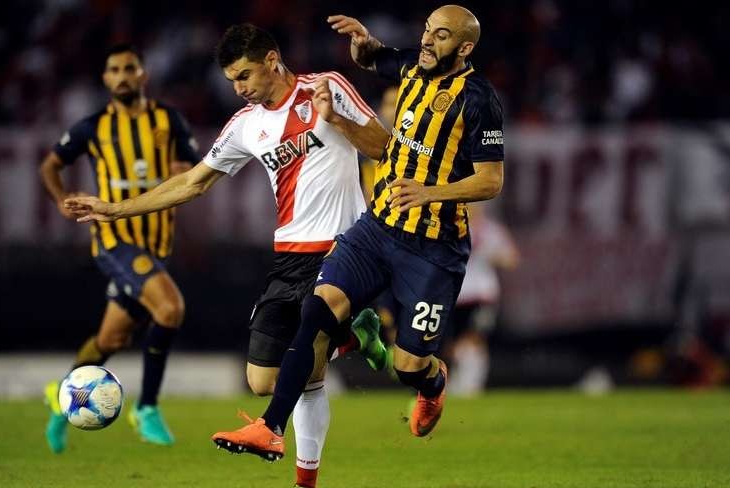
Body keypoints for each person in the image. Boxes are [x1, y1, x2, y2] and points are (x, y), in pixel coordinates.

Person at [65, 24, 389, 488]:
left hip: (344, 248)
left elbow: (383, 148)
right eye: (232, 81)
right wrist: (117, 210)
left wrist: (336, 120)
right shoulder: (244, 124)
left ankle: (304, 479)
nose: (238, 89)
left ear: (273, 60)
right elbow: (193, 182)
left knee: (308, 357)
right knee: (264, 379)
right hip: (289, 255)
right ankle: (353, 337)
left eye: (244, 76)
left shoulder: (327, 87)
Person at [209, 4, 505, 462]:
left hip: (433, 246)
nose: (427, 40)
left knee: (407, 365)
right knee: (316, 308)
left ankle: (432, 381)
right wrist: (364, 45)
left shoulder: (479, 98)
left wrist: (430, 192)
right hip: (377, 227)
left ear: (464, 47)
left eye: (441, 35)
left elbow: (490, 181)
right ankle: (271, 428)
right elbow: (376, 59)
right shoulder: (412, 64)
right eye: (426, 30)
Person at [38, 43, 199, 453]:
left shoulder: (169, 121)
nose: (123, 75)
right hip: (114, 241)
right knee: (171, 308)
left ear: (143, 74)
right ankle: (146, 408)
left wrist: (182, 173)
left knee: (109, 341)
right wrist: (59, 198)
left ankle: (61, 402)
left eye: (130, 67)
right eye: (114, 69)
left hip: (156, 244)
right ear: (106, 79)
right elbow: (50, 165)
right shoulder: (92, 128)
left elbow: (193, 173)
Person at [448, 203, 518, 395]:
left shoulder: (492, 231)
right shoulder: (452, 228)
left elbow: (511, 258)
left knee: (474, 338)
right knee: (453, 344)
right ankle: (459, 380)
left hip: (482, 295)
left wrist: (491, 254)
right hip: (456, 295)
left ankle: (471, 385)